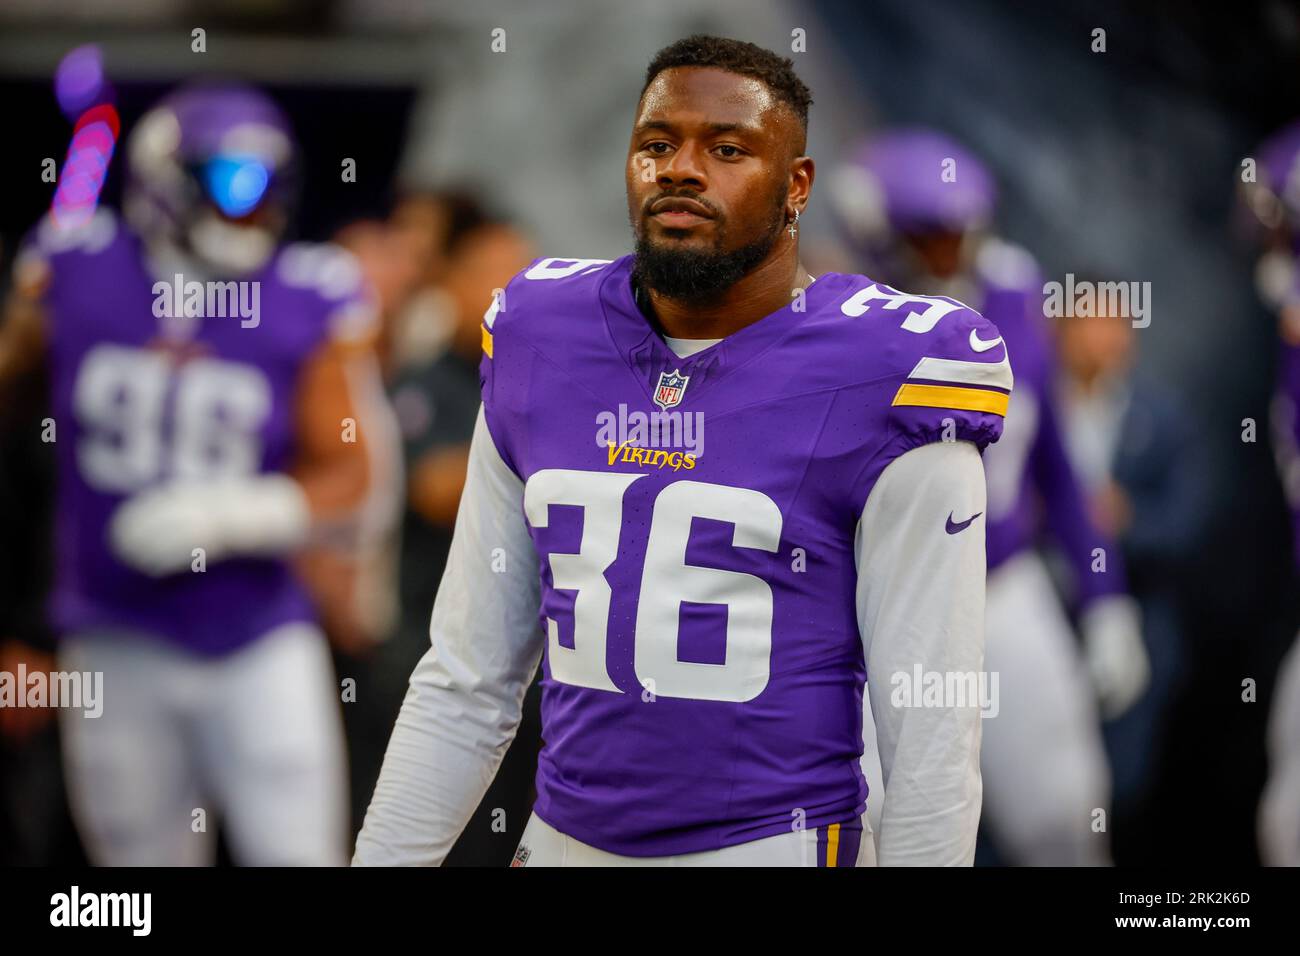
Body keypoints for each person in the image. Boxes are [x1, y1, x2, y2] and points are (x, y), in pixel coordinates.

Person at [355, 35, 1011, 867]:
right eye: (657, 144)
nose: (680, 169)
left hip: (769, 845)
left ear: (796, 187)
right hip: (563, 841)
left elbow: (930, 723)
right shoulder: (541, 337)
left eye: (727, 149)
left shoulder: (889, 373)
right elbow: (467, 681)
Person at [0, 82, 394, 865]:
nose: (253, 210)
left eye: (266, 187)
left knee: (298, 854)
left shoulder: (306, 293)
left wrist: (231, 516)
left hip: (256, 635)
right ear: (163, 178)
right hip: (110, 632)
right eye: (232, 183)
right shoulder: (72, 270)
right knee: (137, 874)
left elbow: (359, 476)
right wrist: (20, 619)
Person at [829, 129, 1149, 865]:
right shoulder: (837, 324)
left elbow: (1056, 463)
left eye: (960, 234)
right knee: (882, 833)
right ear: (879, 234)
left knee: (1064, 817)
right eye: (932, 237)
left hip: (1002, 590)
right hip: (885, 618)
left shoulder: (1010, 290)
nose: (954, 254)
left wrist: (1105, 592)